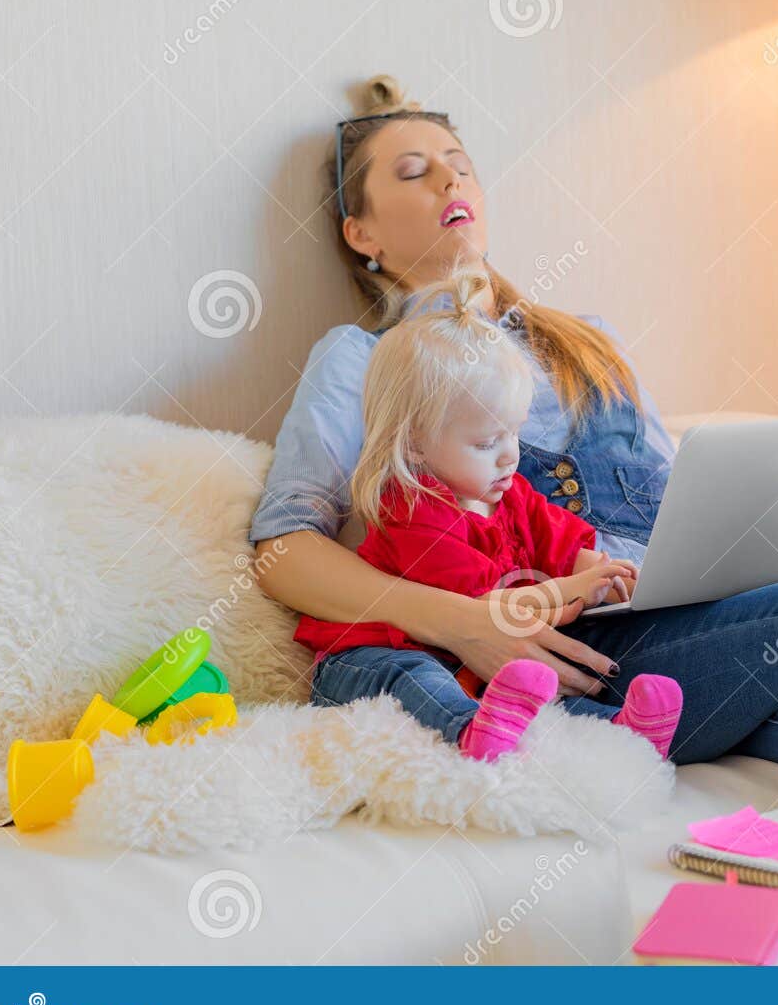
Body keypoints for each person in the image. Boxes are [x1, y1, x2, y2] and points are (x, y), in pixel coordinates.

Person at [251, 74, 778, 810]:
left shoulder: (588, 341)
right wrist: (463, 623)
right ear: (361, 234)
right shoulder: (360, 359)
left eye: (461, 168)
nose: (450, 184)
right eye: (414, 173)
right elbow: (283, 548)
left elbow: (680, 487)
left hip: (690, 621)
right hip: (577, 648)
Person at [291, 268, 681, 762]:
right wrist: (569, 591)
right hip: (368, 662)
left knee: (542, 685)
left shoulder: (508, 492)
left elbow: (565, 545)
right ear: (413, 443)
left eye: (513, 434)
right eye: (485, 442)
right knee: (417, 678)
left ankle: (620, 736)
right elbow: (487, 608)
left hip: (471, 662)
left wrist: (605, 575)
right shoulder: (410, 506)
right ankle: (468, 732)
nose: (508, 456)